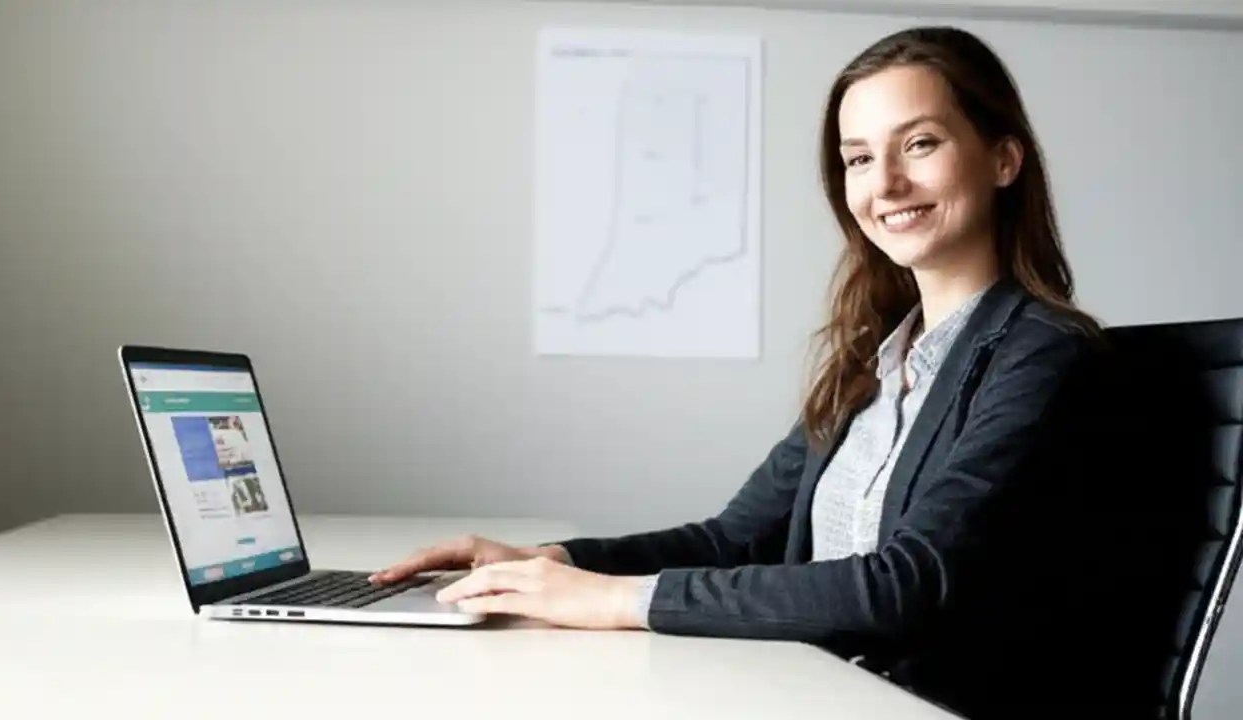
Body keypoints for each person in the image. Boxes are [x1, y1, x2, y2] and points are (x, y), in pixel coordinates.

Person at [370, 26, 1159, 718]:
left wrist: (612, 601)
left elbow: (905, 583)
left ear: (1003, 158)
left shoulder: (1043, 353)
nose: (883, 185)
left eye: (919, 144)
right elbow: (736, 536)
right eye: (858, 158)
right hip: (819, 686)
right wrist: (555, 562)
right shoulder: (872, 358)